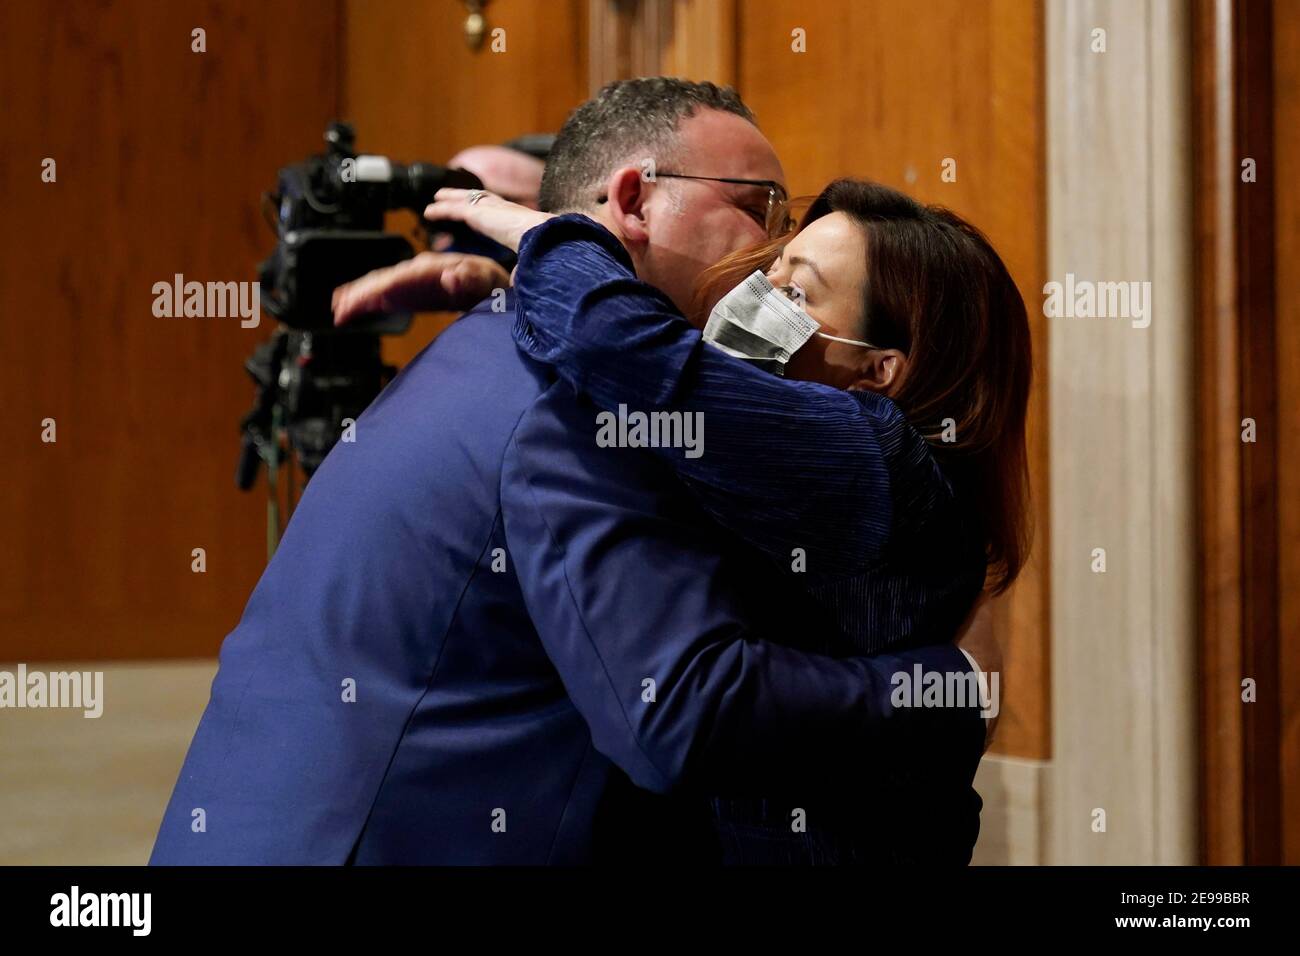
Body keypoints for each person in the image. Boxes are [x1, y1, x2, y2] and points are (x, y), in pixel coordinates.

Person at [151, 78, 993, 866]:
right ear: (632, 199)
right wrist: (937, 693)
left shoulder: (500, 341)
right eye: (756, 209)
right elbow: (678, 712)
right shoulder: (584, 403)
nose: (765, 256)